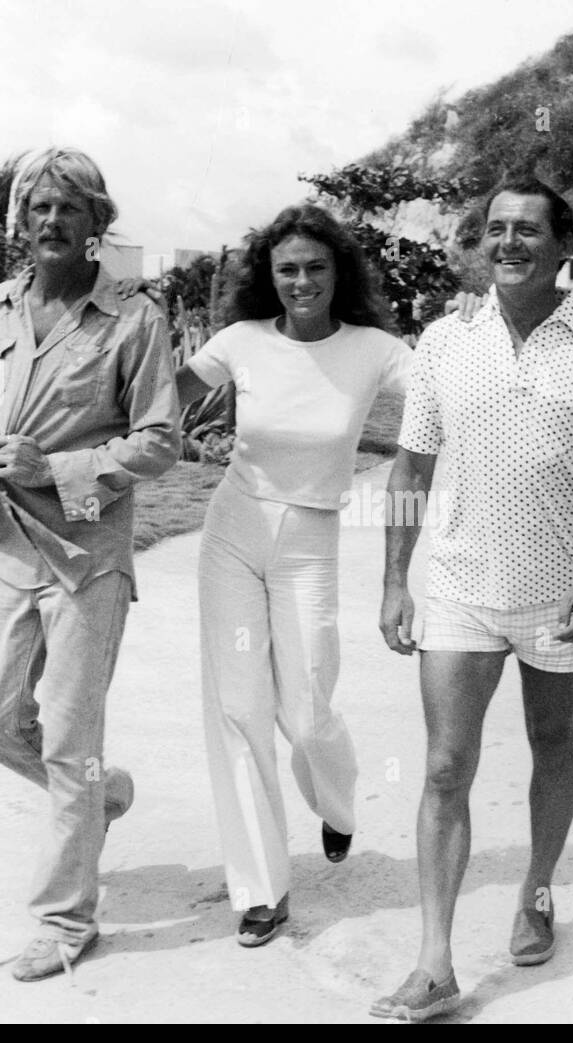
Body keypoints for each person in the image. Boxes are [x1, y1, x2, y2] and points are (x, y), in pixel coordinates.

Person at [370, 176, 573, 1021]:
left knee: (550, 743)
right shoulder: (446, 340)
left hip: (559, 593)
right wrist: (394, 578)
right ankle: (434, 961)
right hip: (458, 586)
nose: (509, 243)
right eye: (496, 230)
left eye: (528, 230)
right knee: (446, 766)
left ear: (565, 246)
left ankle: (536, 887)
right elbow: (412, 466)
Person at [0, 147, 181, 981]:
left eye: (70, 209)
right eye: (37, 210)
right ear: (17, 223)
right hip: (6, 550)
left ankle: (65, 921)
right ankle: (102, 797)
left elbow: (161, 440)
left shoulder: (135, 319)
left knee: (68, 739)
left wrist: (57, 470)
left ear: (98, 222)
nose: (52, 222)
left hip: (88, 556)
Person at [155, 205, 413, 946]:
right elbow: (164, 397)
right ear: (270, 279)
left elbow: (445, 388)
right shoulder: (240, 341)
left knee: (306, 710)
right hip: (234, 529)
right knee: (239, 712)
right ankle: (262, 889)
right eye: (287, 269)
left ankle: (337, 805)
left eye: (316, 268)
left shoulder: (373, 349)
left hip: (310, 540)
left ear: (340, 274)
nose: (301, 281)